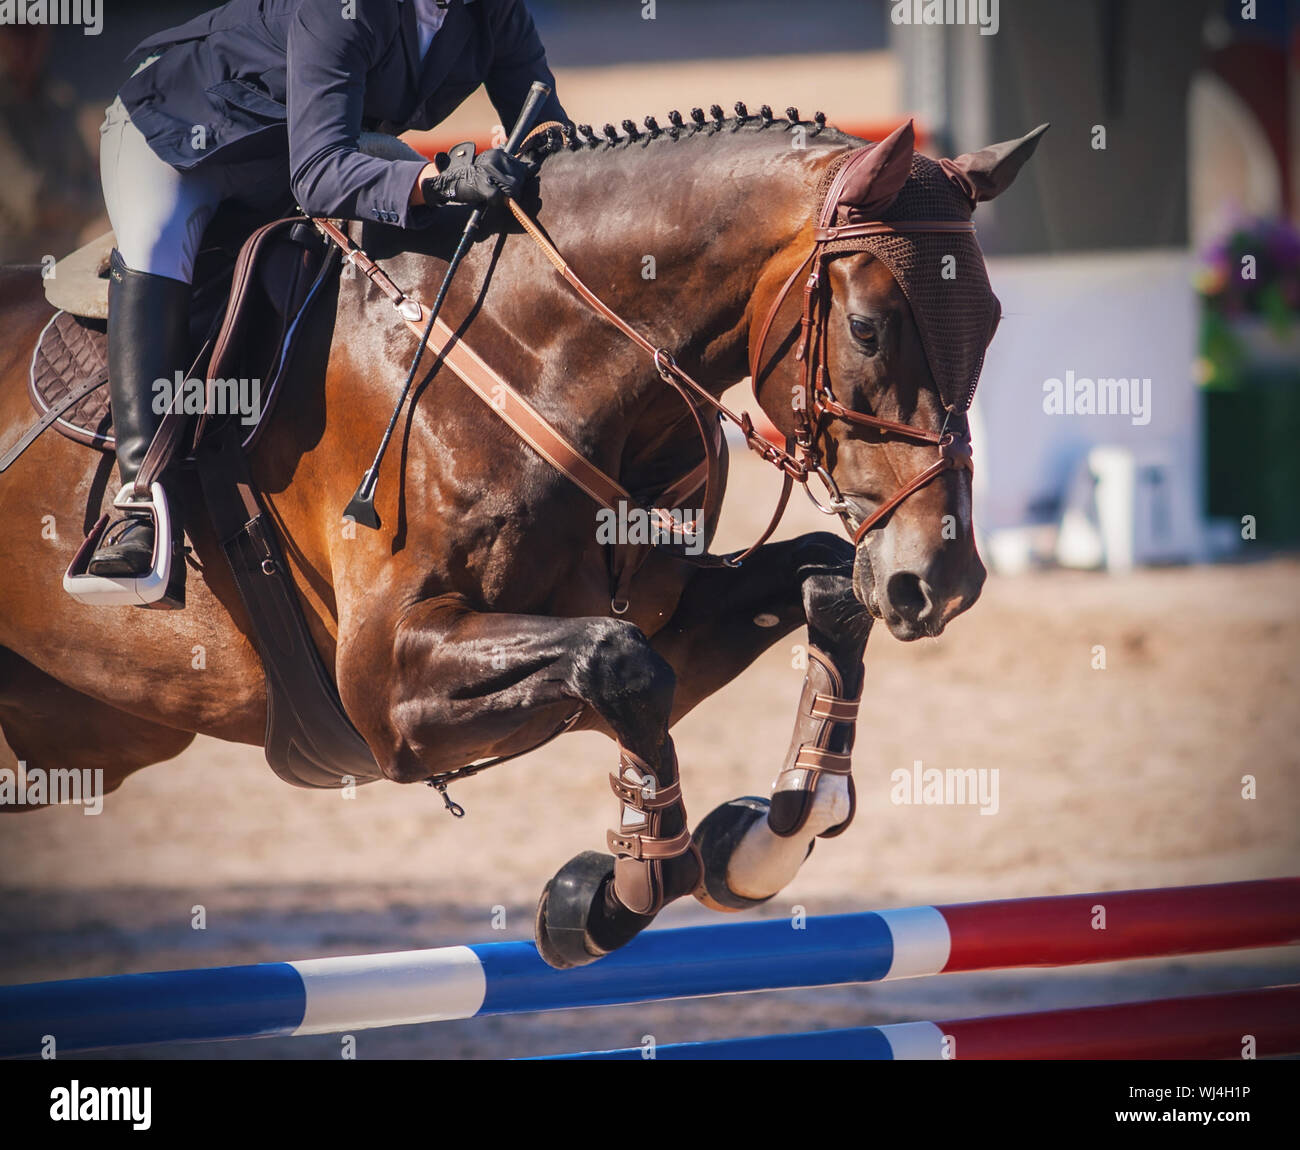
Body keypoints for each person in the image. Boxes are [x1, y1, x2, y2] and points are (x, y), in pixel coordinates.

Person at [88, 0, 567, 603]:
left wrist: (537, 159)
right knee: (158, 239)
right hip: (178, 130)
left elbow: (548, 127)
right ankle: (138, 504)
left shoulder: (494, 11)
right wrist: (440, 181)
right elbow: (318, 171)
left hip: (295, 147)